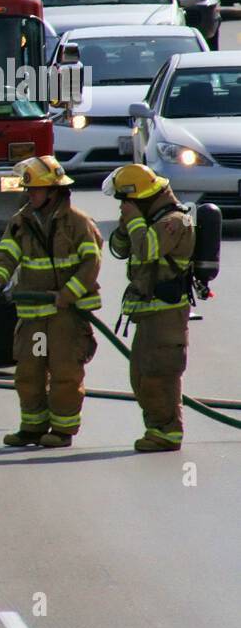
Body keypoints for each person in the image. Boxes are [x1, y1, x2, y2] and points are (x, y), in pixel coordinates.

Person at [0, 156, 103, 448]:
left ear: (54, 191)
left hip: (66, 315)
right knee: (30, 371)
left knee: (65, 370)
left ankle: (62, 431)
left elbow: (91, 263)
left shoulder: (77, 223)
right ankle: (32, 427)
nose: (30, 194)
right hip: (34, 315)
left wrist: (68, 295)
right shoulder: (21, 222)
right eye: (29, 190)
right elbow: (6, 254)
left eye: (36, 189)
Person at [104, 164, 195, 451]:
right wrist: (126, 225)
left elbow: (146, 250)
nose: (123, 206)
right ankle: (156, 428)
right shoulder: (146, 220)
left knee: (160, 373)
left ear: (140, 197)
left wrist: (133, 222)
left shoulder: (174, 222)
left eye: (125, 200)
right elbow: (120, 250)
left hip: (166, 313)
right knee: (142, 375)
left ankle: (167, 432)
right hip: (148, 313)